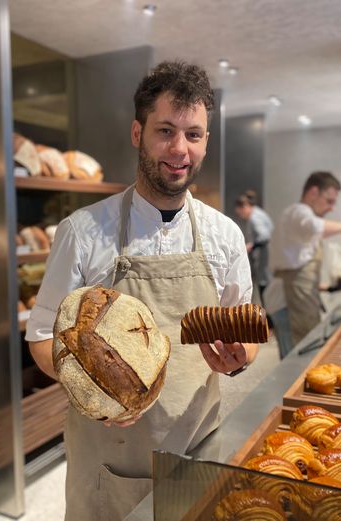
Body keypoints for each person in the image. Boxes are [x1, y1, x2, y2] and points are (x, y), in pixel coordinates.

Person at [25, 61, 258, 521]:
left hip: (197, 446)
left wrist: (239, 357)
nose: (179, 149)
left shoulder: (224, 235)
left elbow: (243, 328)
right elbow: (41, 337)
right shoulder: (84, 231)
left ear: (206, 141)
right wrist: (93, 392)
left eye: (193, 134)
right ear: (138, 133)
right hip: (109, 456)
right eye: (165, 130)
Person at [271, 171, 341, 345]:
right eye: (329, 201)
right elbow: (313, 227)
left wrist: (326, 288)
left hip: (298, 294)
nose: (331, 208)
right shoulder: (298, 211)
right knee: (299, 351)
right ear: (313, 192)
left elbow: (298, 264)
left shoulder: (300, 216)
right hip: (290, 299)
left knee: (304, 347)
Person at [234, 191, 274, 305]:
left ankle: (268, 318)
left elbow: (264, 236)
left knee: (263, 287)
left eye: (241, 213)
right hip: (264, 255)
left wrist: (251, 245)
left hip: (262, 256)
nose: (242, 216)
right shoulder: (259, 213)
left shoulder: (254, 218)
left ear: (245, 207)